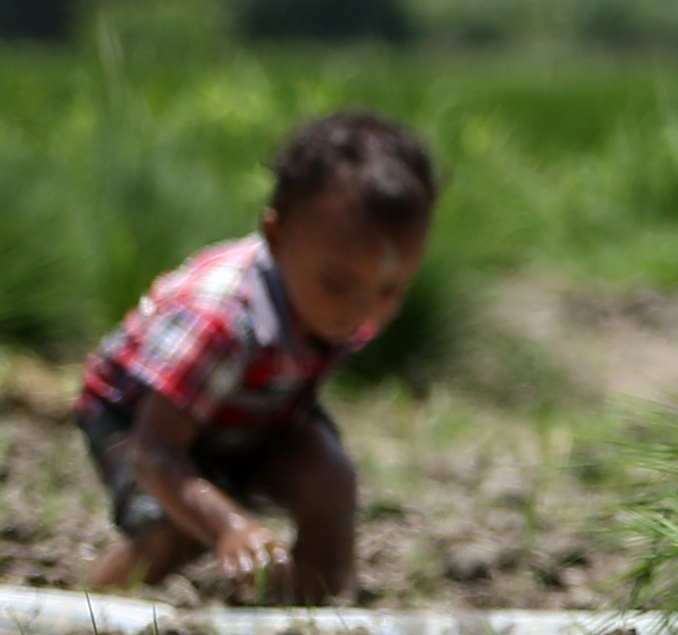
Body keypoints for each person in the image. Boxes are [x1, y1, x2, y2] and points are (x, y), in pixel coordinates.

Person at [73, 110, 437, 606]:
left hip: (250, 410)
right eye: (336, 284)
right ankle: (89, 617)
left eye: (391, 290)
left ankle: (314, 618)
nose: (361, 311)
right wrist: (229, 524)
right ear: (275, 236)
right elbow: (152, 449)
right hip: (143, 419)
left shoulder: (336, 306)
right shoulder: (220, 319)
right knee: (172, 527)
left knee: (329, 481)